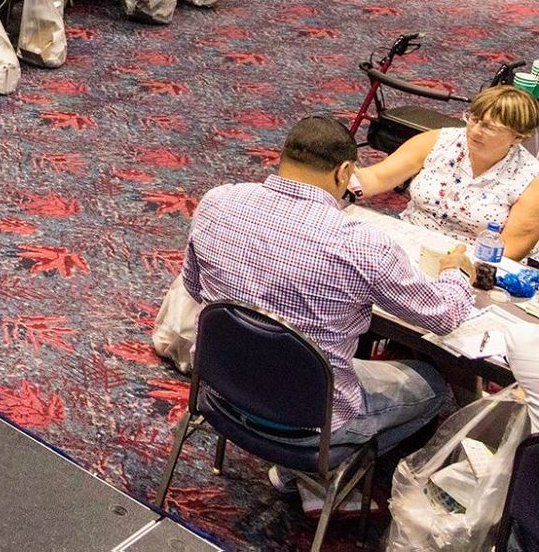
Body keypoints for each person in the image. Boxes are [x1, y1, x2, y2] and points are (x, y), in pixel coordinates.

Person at [182, 116, 471, 459]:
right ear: (344, 172)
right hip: (312, 423)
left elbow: (194, 287)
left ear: (283, 156)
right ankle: (324, 481)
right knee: (432, 385)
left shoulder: (217, 202)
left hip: (219, 390)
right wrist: (457, 273)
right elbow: (444, 317)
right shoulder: (362, 245)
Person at [354, 86, 539, 259]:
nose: (474, 131)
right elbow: (377, 178)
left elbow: (507, 252)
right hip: (409, 242)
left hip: (470, 262)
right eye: (473, 119)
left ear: (517, 137)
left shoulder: (530, 179)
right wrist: (340, 175)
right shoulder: (439, 140)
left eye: (488, 127)